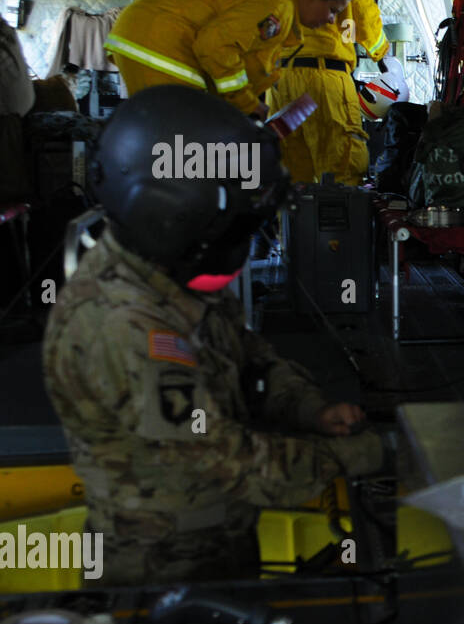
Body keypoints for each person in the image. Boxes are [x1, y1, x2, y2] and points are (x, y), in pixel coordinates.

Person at [42, 85, 386, 586]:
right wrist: (362, 455)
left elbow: (246, 356)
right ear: (172, 215)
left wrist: (308, 408)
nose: (237, 244)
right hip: (157, 571)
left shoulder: (170, 268)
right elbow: (223, 458)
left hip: (221, 546)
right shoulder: (122, 322)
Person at [104, 0, 352, 119]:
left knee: (166, 139)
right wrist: (247, 104)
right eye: (332, 10)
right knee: (181, 146)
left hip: (143, 32)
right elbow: (215, 46)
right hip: (161, 41)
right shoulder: (278, 4)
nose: (331, 20)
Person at [268, 0, 388, 186]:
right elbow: (367, 23)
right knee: (342, 165)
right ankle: (338, 216)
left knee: (291, 167)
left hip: (282, 81)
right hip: (327, 81)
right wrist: (382, 55)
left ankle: (293, 215)